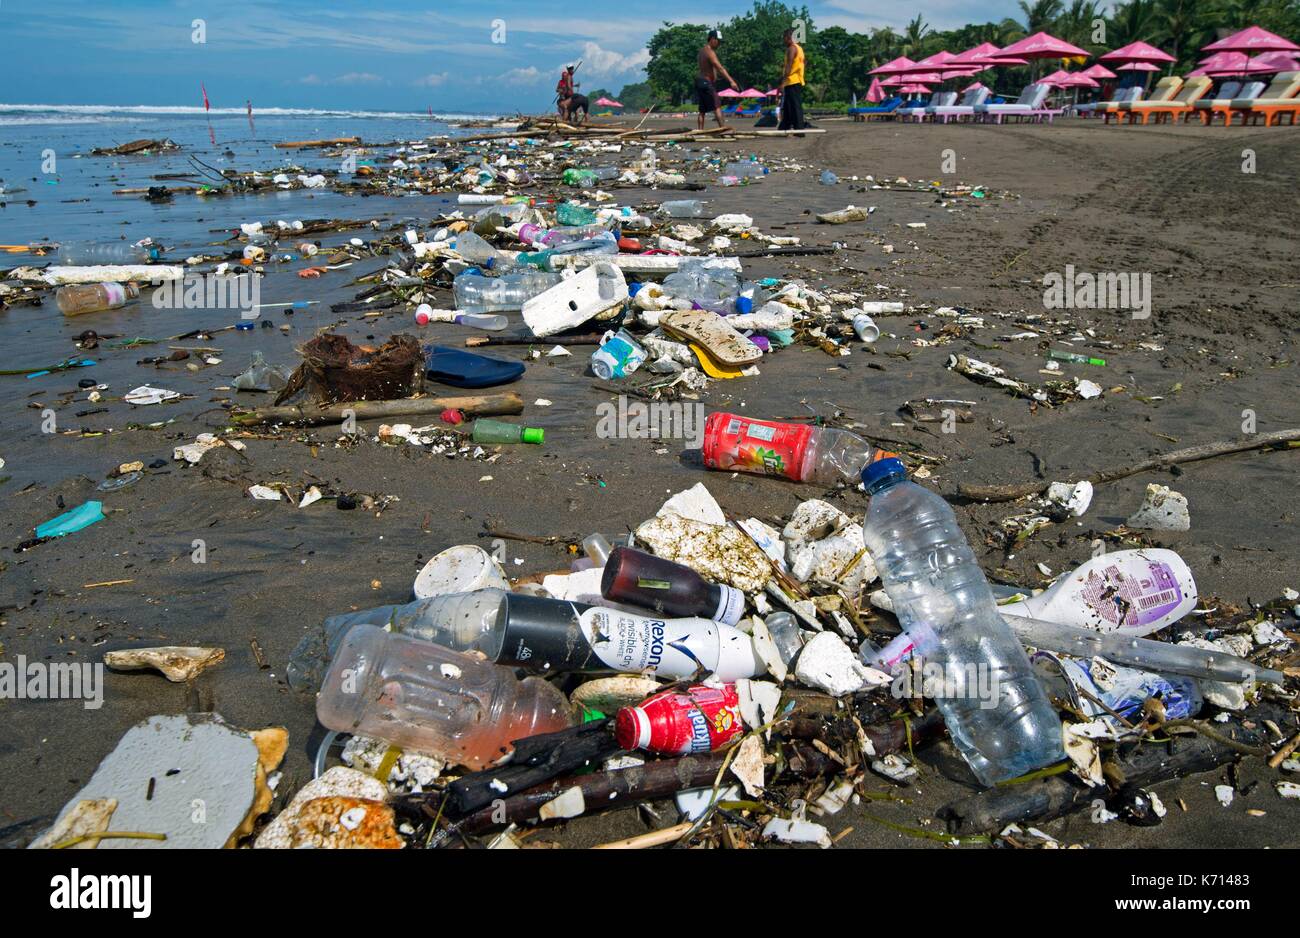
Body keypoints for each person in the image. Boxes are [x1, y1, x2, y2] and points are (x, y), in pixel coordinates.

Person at [696, 29, 739, 131]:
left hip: (699, 81)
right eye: (718, 41)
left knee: (702, 110)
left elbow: (710, 68)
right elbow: (719, 67)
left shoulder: (702, 51)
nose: (719, 44)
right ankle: (723, 130)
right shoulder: (710, 52)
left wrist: (714, 77)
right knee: (717, 106)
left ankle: (700, 131)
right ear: (712, 39)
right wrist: (731, 81)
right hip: (706, 82)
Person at [777, 28, 808, 131]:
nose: (783, 41)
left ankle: (799, 130)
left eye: (784, 38)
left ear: (789, 37)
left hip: (792, 81)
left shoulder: (792, 48)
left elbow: (789, 67)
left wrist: (783, 82)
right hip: (795, 80)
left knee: (795, 106)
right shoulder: (799, 49)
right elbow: (804, 63)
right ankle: (784, 127)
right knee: (788, 106)